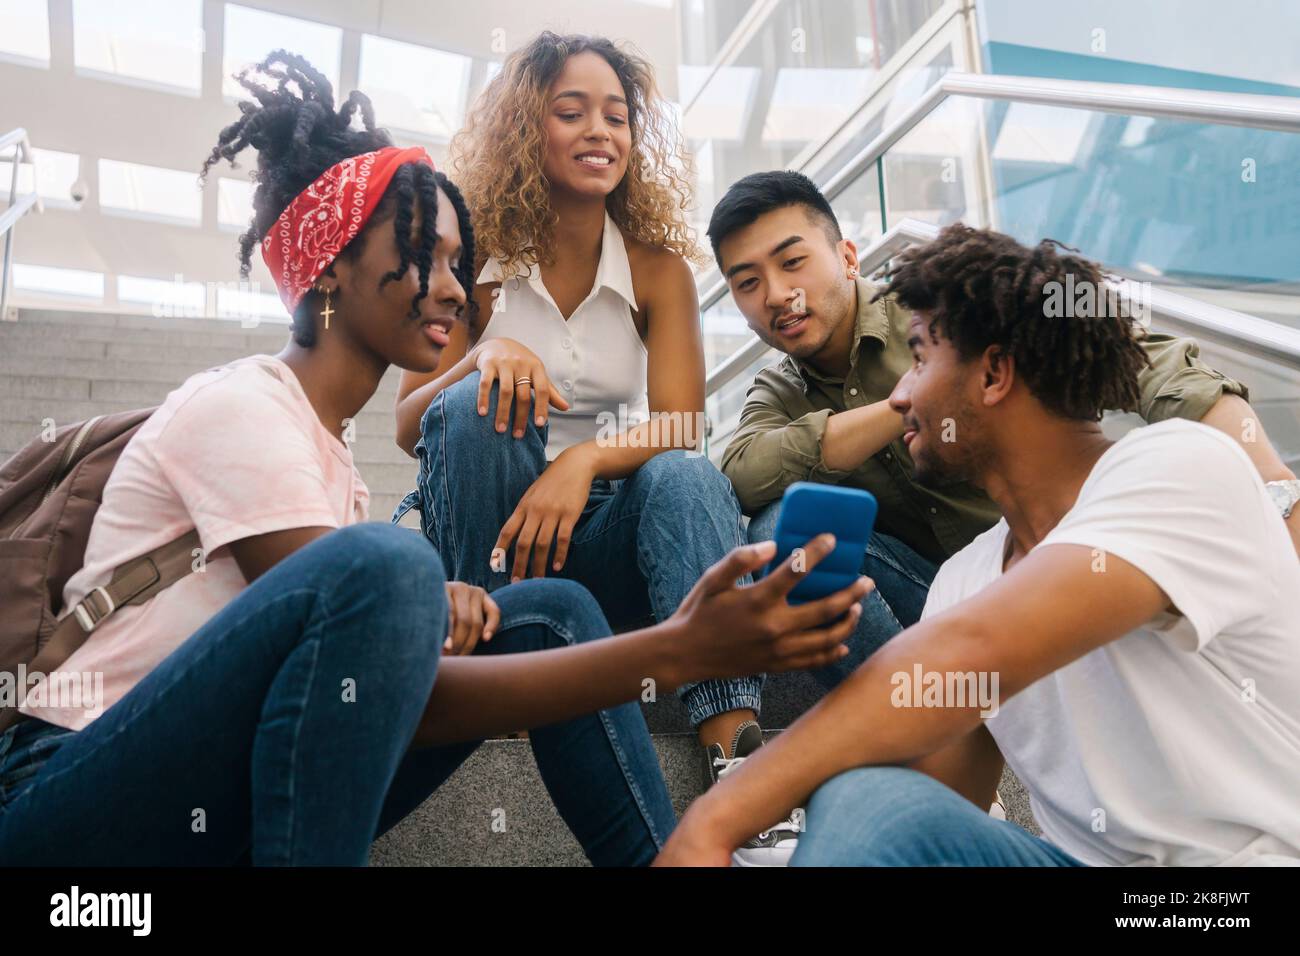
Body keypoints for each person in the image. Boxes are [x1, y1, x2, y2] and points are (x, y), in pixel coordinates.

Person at [0, 53, 869, 867]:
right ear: (333, 270)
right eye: (424, 253)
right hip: (76, 797)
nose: (455, 285)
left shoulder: (330, 459)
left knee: (550, 609)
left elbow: (354, 696)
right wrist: (672, 650)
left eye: (458, 257)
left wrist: (435, 603)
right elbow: (403, 694)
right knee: (390, 559)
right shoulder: (242, 404)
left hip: (222, 802)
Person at [656, 223, 1300, 866]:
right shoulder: (964, 581)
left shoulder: (1180, 468)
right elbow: (937, 799)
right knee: (870, 800)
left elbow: (972, 650)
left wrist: (720, 815)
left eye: (920, 357)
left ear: (993, 373)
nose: (900, 395)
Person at [391, 33, 798, 862]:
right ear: (523, 130)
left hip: (611, 535)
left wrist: (583, 462)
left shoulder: (659, 271)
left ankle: (736, 754)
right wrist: (484, 353)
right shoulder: (472, 269)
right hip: (495, 533)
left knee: (684, 476)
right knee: (475, 405)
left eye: (616, 115)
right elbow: (409, 425)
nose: (598, 131)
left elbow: (685, 424)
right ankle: (489, 661)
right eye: (569, 111)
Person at [709, 171, 1299, 692]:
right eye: (747, 283)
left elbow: (1146, 362)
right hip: (937, 597)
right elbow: (743, 471)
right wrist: (911, 402)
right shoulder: (779, 391)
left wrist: (1274, 486)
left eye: (792, 262)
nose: (777, 294)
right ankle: (920, 725)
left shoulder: (938, 306)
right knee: (782, 530)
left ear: (847, 257)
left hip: (1063, 565)